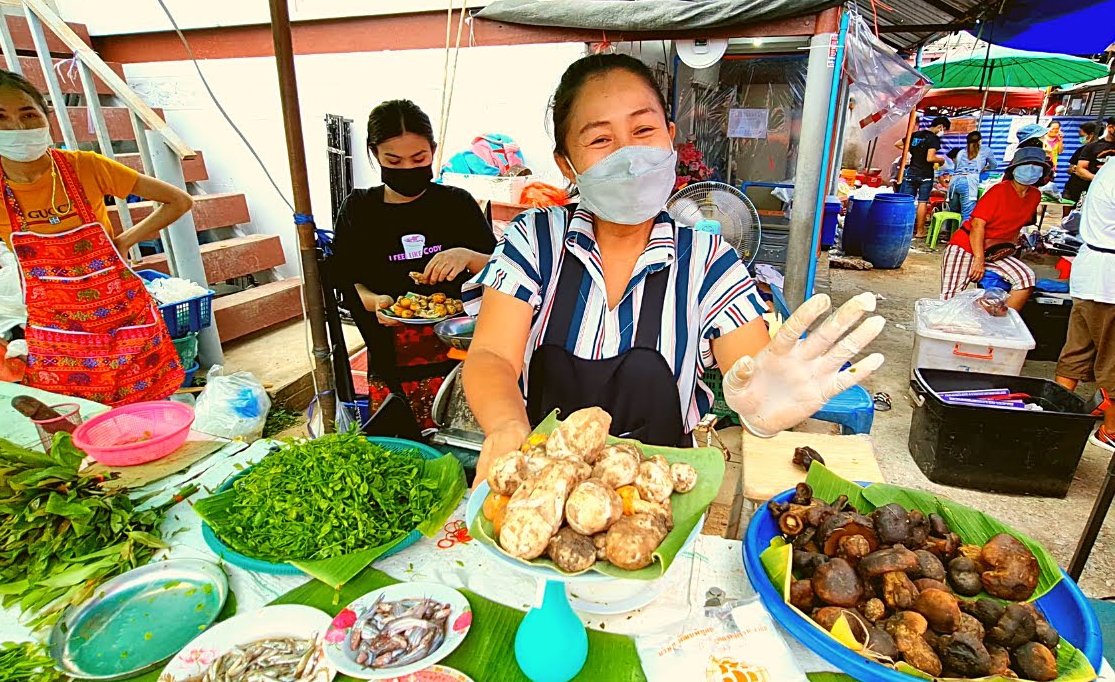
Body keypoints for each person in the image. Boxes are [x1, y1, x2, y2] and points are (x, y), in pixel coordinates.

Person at [460, 53, 885, 485]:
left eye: (643, 130)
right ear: (566, 163)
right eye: (601, 139)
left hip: (660, 502)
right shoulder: (535, 239)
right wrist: (506, 426)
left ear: (670, 137)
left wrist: (766, 400)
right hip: (543, 491)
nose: (628, 156)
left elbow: (753, 370)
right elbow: (492, 355)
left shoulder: (709, 261)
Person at [0, 68, 192, 405]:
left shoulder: (86, 166)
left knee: (149, 414)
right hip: (58, 336)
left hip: (125, 321)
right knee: (77, 417)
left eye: (28, 114)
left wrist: (123, 241)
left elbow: (178, 200)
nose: (17, 127)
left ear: (45, 117)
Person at [330, 99, 495, 431]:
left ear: (433, 150)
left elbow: (504, 272)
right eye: (394, 160)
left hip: (460, 357)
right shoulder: (359, 210)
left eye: (419, 158)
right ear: (374, 154)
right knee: (402, 449)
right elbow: (347, 281)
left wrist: (467, 256)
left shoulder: (457, 204)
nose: (407, 168)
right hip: (391, 363)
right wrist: (375, 302)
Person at [939, 147, 1052, 312]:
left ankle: (1000, 322)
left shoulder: (1035, 195)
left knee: (1025, 278)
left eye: (1036, 166)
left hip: (994, 250)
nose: (1030, 170)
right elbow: (977, 225)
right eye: (1026, 165)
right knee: (950, 300)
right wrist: (979, 260)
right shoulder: (998, 190)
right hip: (966, 246)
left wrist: (1015, 247)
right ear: (1014, 169)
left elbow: (1017, 226)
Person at [1056, 160, 1115, 451]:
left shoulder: (1109, 168)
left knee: (1078, 350)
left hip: (1092, 273)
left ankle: (1055, 413)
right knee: (1111, 358)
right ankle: (1110, 430)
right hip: (1107, 281)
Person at [896, 116, 950, 236]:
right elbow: (930, 158)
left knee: (908, 201)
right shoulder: (933, 139)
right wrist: (941, 160)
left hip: (911, 172)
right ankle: (920, 231)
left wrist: (913, 151)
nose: (943, 133)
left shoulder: (915, 135)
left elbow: (898, 144)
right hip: (925, 174)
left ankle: (904, 229)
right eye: (944, 130)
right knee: (922, 202)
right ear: (940, 127)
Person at [947, 131, 992, 228]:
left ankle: (950, 233)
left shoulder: (961, 152)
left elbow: (956, 168)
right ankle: (962, 236)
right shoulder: (985, 151)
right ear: (980, 141)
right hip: (969, 183)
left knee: (954, 212)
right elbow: (994, 165)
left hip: (954, 182)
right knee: (967, 214)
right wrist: (985, 168)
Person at [1067, 117, 1115, 205]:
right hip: (1091, 192)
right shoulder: (1092, 147)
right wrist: (1100, 180)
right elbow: (1080, 169)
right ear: (1110, 127)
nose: (1081, 138)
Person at [1061, 121, 1099, 214]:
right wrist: (1073, 169)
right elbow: (1070, 168)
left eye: (1082, 135)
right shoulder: (1081, 150)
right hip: (1073, 187)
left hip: (1089, 189)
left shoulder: (1103, 151)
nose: (1080, 138)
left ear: (1091, 135)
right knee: (1067, 216)